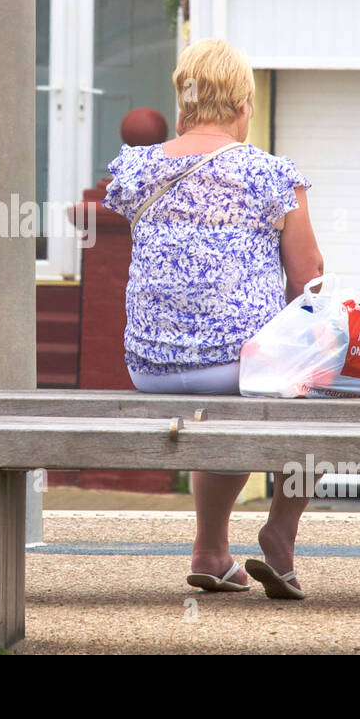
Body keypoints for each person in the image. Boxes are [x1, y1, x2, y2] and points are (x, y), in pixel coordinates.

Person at [103, 38, 324, 599]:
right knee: (326, 381)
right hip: (237, 366)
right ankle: (280, 532)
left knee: (220, 406)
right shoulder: (271, 174)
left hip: (149, 365)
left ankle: (211, 553)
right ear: (243, 105)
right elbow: (308, 277)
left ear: (184, 102)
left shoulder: (137, 168)